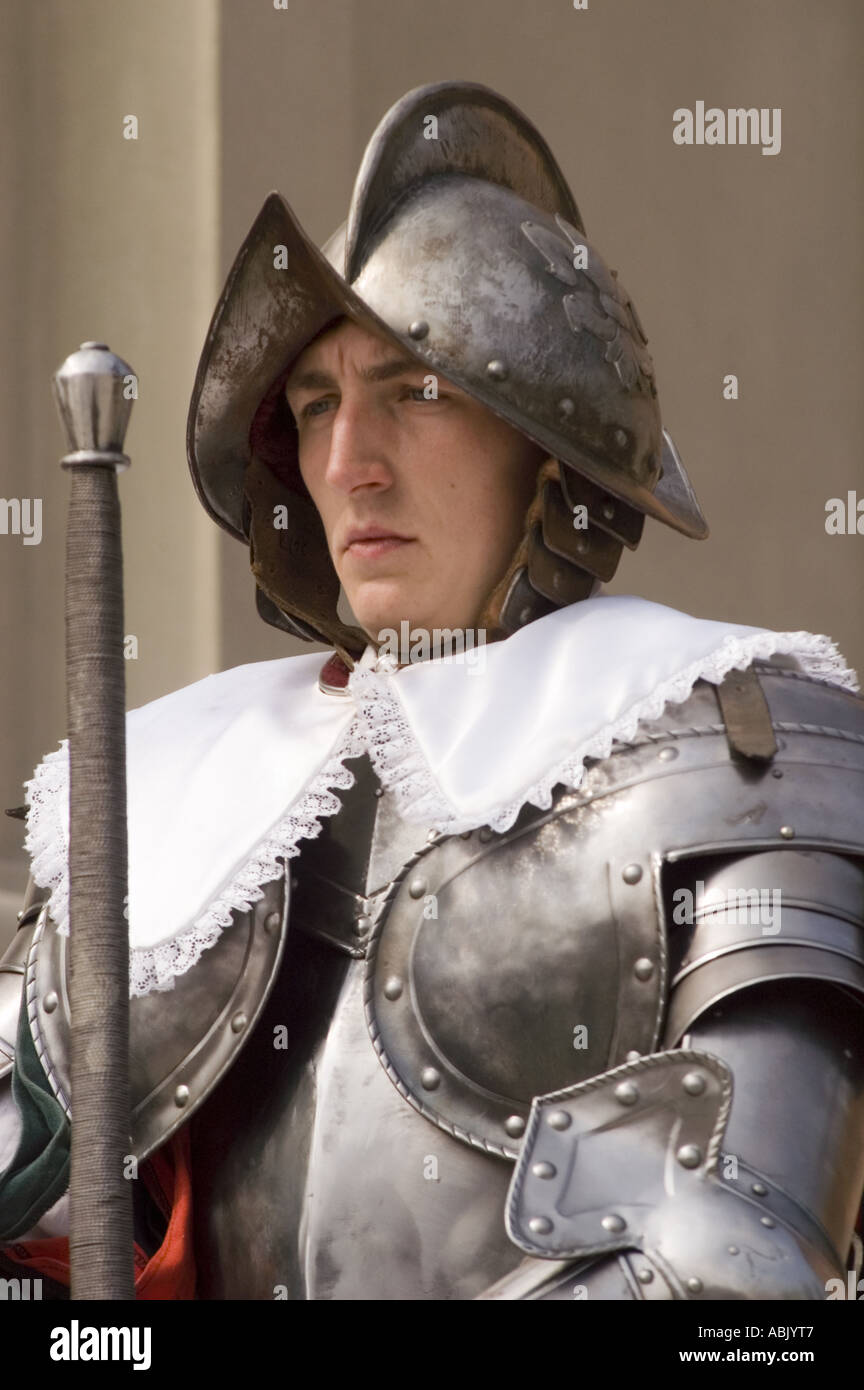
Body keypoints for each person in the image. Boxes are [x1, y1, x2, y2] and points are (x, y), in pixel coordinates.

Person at [1, 80, 864, 1301]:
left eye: (416, 389)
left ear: (551, 452)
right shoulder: (169, 793)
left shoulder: (748, 755)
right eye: (313, 406)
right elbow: (30, 1216)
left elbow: (741, 1268)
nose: (347, 463)